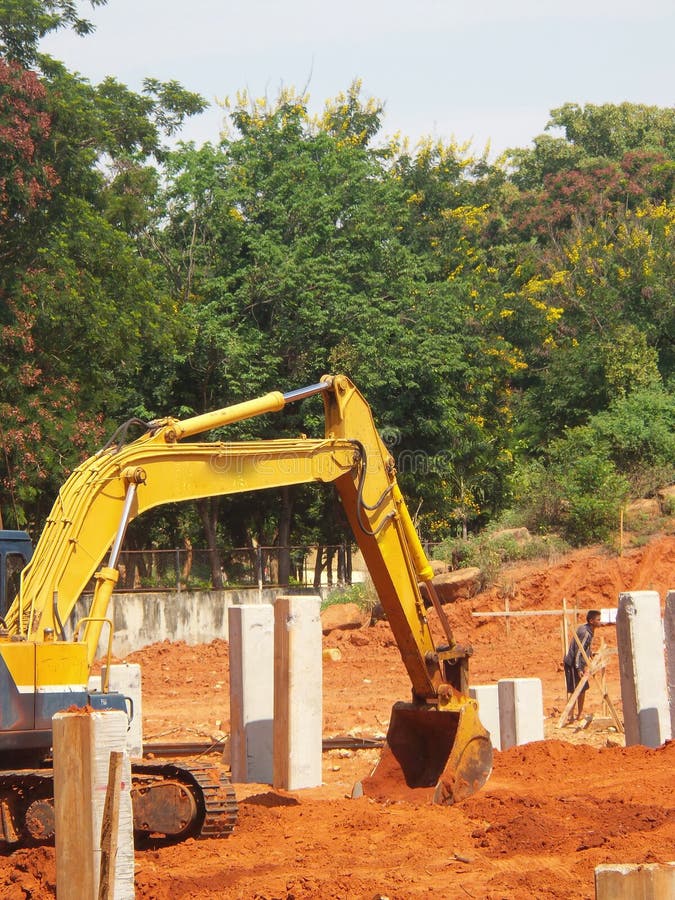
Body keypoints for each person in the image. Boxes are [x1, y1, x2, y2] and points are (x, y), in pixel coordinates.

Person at [563, 609, 602, 722]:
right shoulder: (585, 632)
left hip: (577, 662)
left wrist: (590, 654)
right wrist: (578, 668)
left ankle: (579, 715)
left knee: (582, 689)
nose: (600, 622)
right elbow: (579, 650)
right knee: (575, 690)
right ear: (591, 621)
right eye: (598, 620)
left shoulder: (589, 630)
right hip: (572, 663)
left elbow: (586, 647)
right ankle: (570, 716)